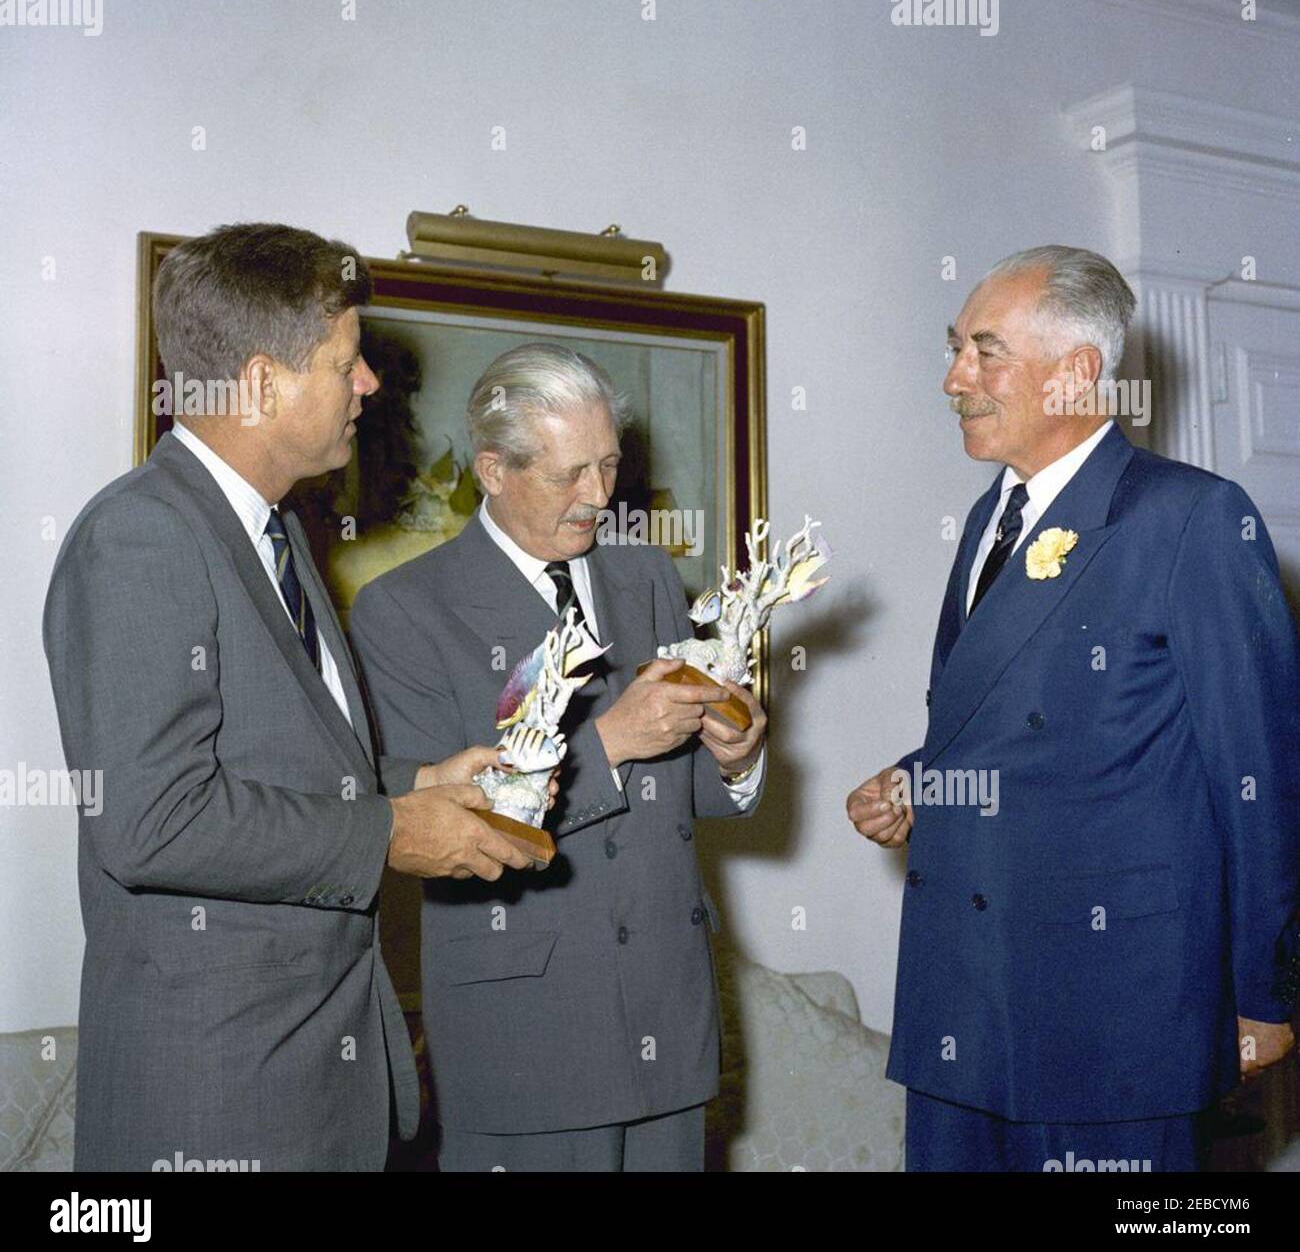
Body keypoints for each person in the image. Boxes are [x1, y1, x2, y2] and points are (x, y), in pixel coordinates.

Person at [43, 222, 532, 1171]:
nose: (369, 385)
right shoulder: (141, 537)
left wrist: (423, 777)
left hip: (309, 1088)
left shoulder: (274, 534)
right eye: (346, 361)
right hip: (216, 1102)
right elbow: (151, 821)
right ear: (263, 384)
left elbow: (274, 762)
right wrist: (392, 829)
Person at [848, 245, 1300, 1172]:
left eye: (985, 352)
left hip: (1114, 1016)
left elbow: (1262, 778)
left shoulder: (1192, 520)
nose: (954, 378)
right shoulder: (986, 521)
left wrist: (1267, 993)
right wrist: (918, 781)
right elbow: (1016, 726)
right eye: (954, 349)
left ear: (1077, 373)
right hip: (961, 1002)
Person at [350, 342, 768, 1171]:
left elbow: (687, 795)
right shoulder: (403, 610)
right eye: (570, 473)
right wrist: (612, 741)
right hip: (527, 1036)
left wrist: (737, 755)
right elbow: (440, 833)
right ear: (493, 470)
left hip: (667, 1019)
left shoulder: (645, 574)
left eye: (609, 465)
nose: (599, 497)